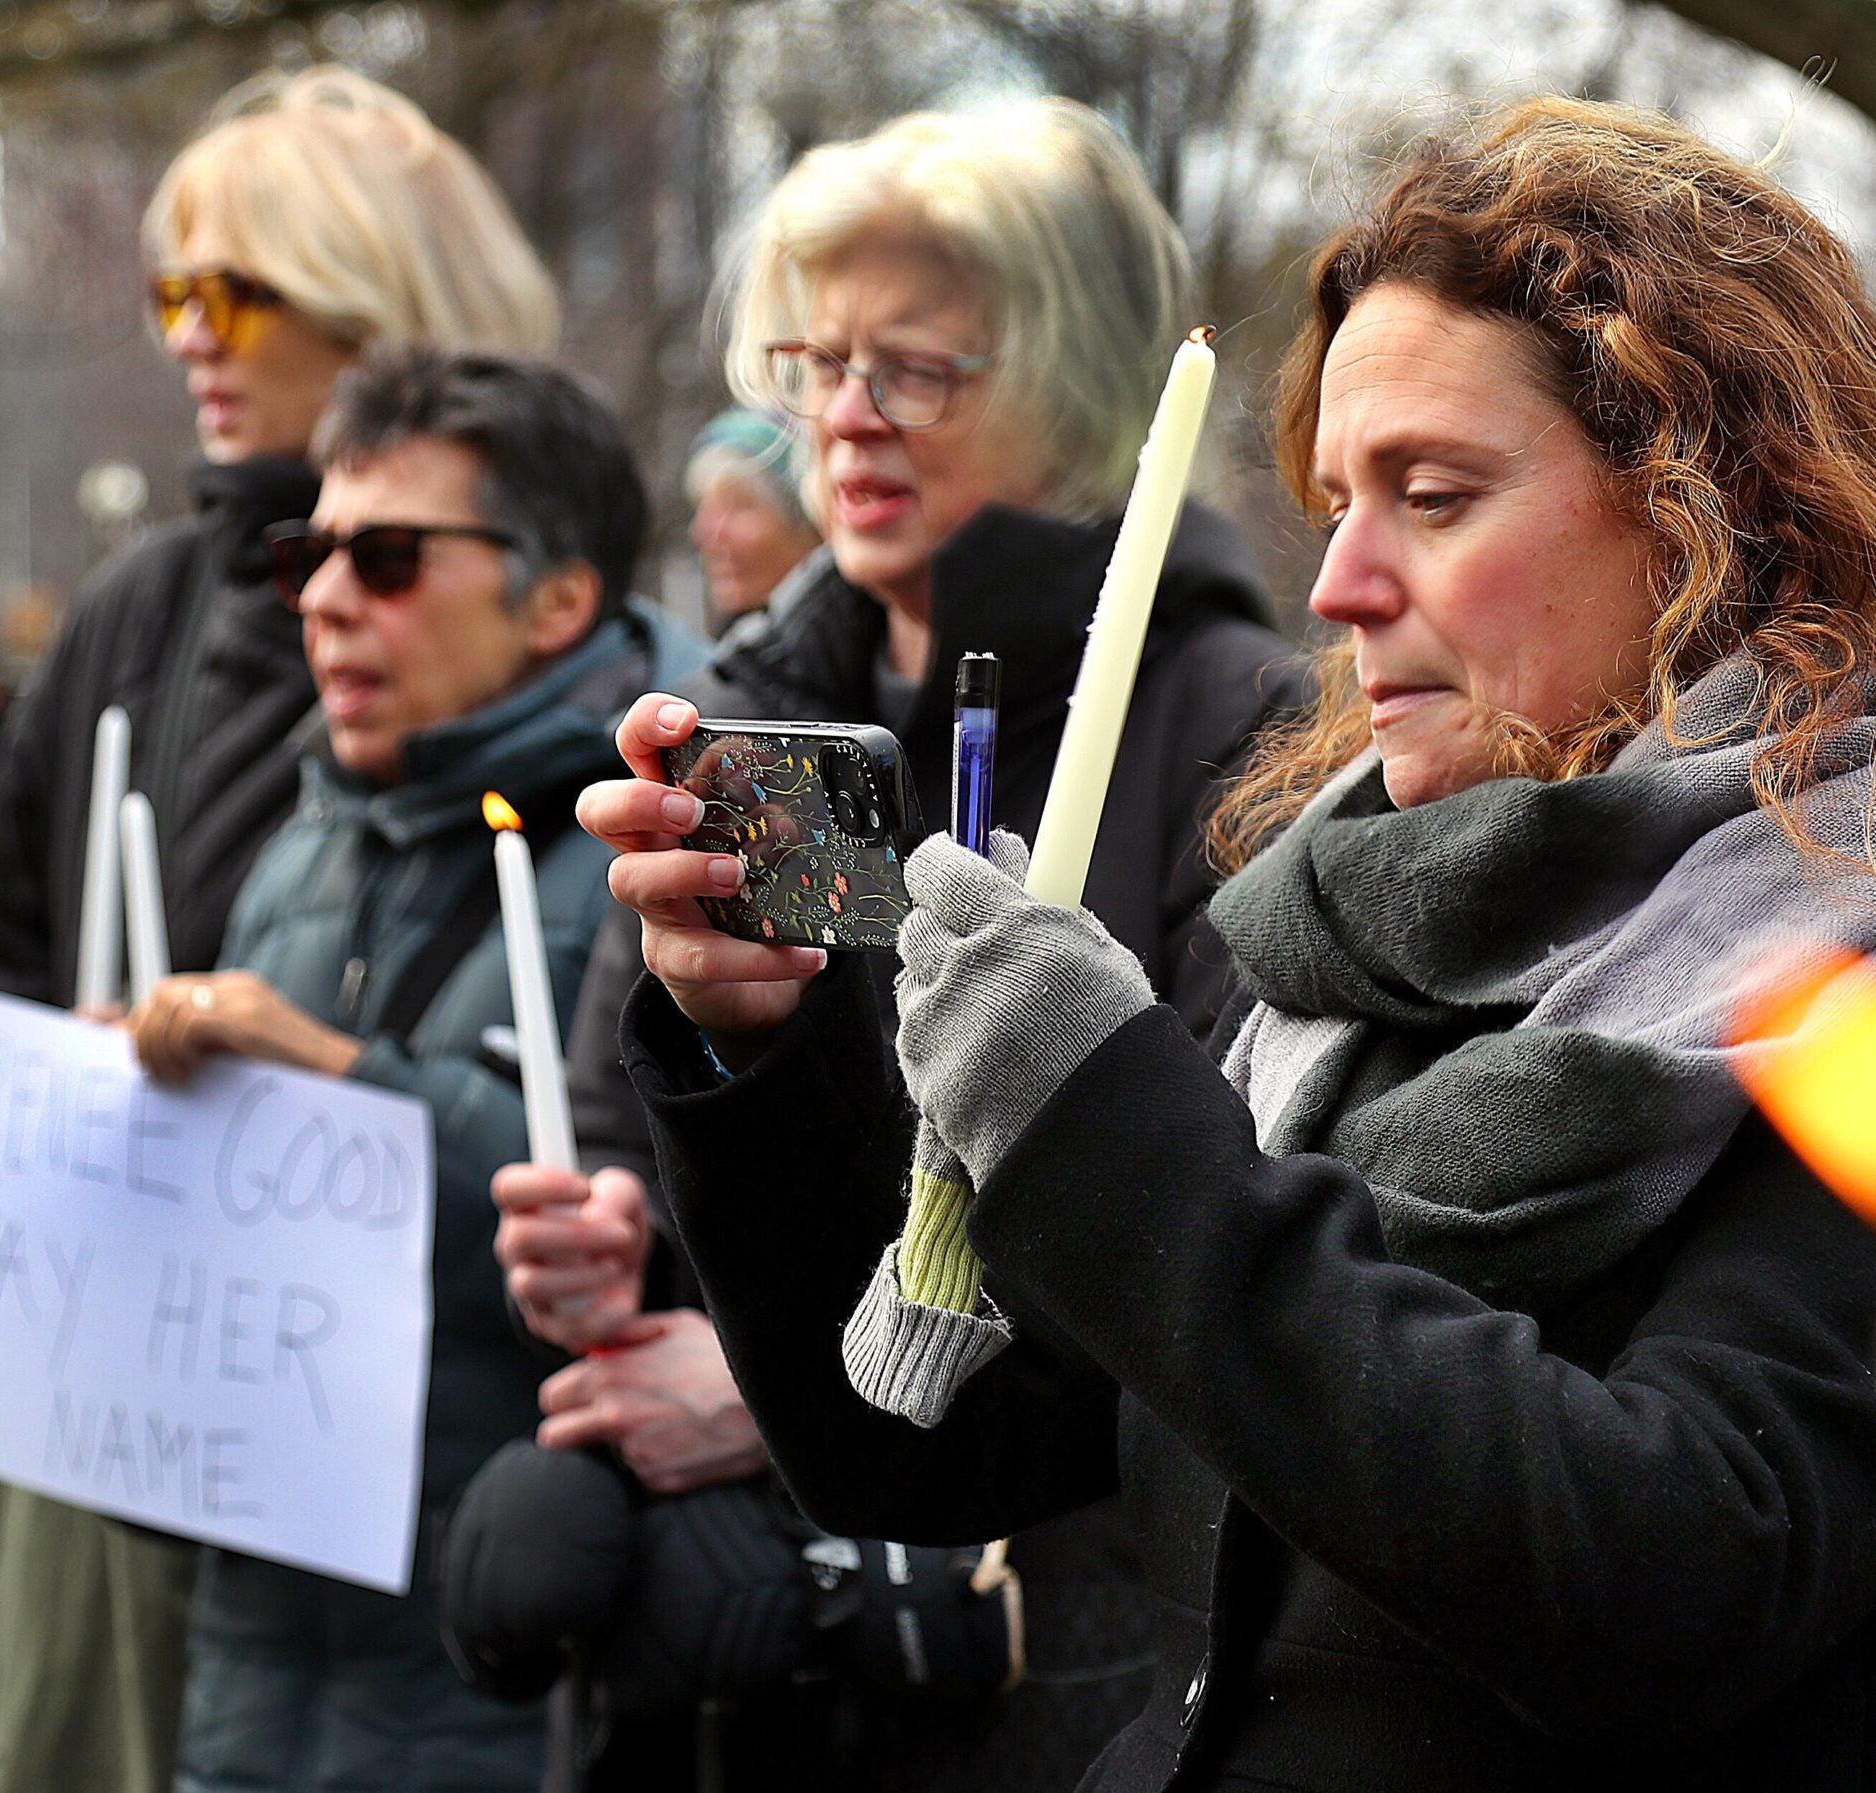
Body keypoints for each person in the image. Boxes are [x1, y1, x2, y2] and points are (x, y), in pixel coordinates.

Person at [585, 97, 1876, 1791]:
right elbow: (928, 1435)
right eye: (1336, 498)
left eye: (1432, 495)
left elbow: (1674, 1573)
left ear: (1701, 513)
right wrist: (761, 1048)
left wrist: (1110, 1122)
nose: (1340, 585)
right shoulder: (1349, 943)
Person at [487, 98, 1304, 1789]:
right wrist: (623, 1221)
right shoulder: (761, 703)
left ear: (1079, 381)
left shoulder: (1242, 734)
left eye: (914, 369)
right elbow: (633, 1097)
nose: (843, 419)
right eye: (811, 360)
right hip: (724, 1665)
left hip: (1039, 1667)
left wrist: (761, 1388)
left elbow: (1206, 1237)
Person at [0, 66, 556, 1793]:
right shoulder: (135, 606)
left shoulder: (500, 610)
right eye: (168, 293)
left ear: (379, 303)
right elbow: (10, 927)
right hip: (102, 1360)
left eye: (234, 290)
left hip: (370, 1427)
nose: (188, 338)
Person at [117, 343, 653, 1793]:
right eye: (309, 548)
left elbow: (644, 1238)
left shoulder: (659, 852)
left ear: (560, 598)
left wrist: (326, 1071)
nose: (323, 595)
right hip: (253, 1658)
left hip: (497, 1674)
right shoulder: (308, 833)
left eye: (391, 554)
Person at [685, 408, 820, 630]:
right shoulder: (725, 657)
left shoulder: (864, 654)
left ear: (809, 521)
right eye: (703, 507)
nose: (706, 532)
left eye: (737, 505)